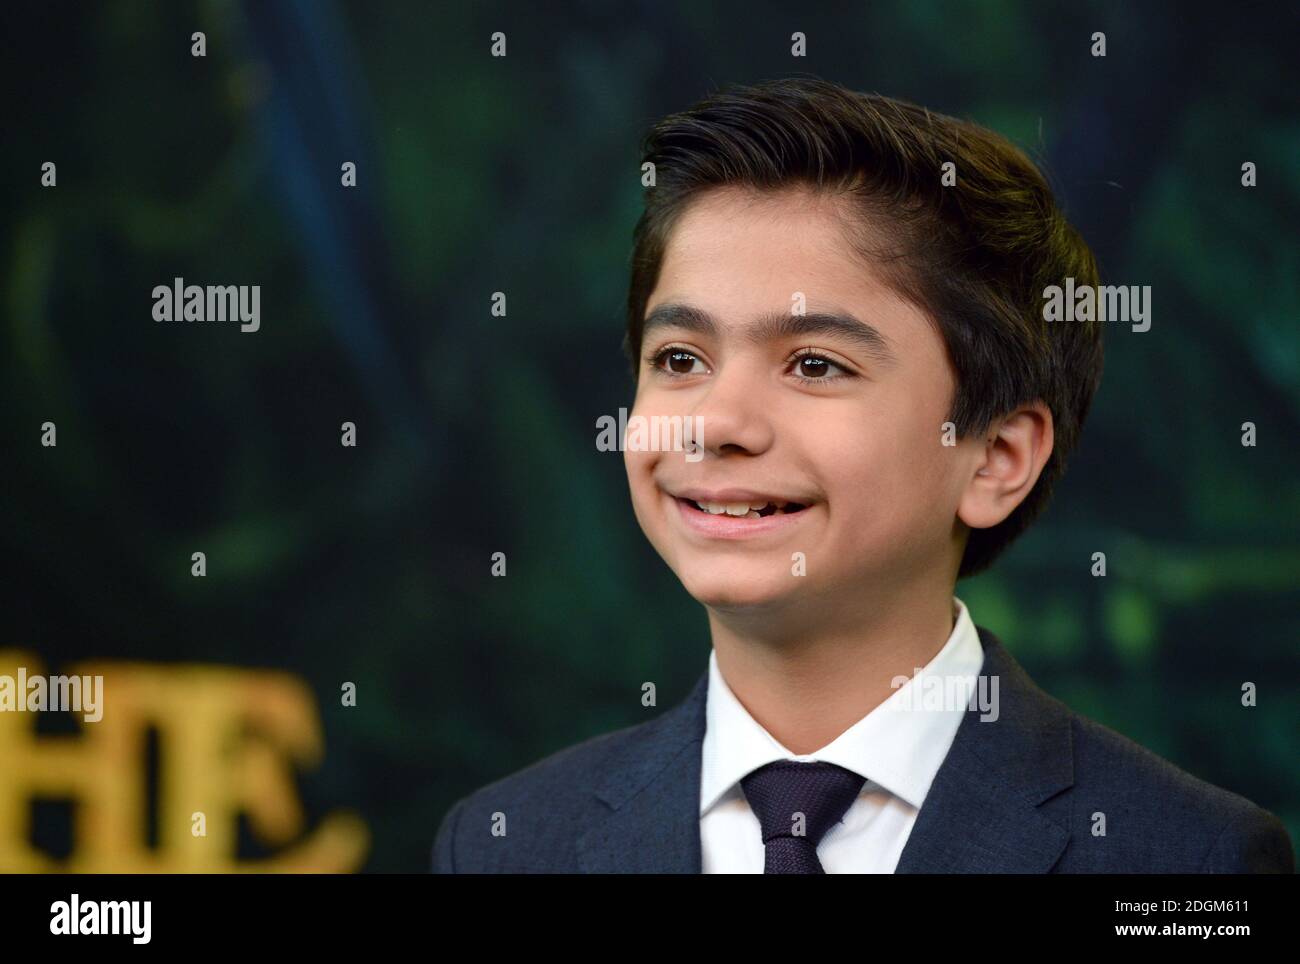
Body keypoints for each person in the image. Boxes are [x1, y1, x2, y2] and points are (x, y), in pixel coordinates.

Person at [433, 76, 1293, 873]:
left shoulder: (1186, 860)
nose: (717, 425)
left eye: (813, 365)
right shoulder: (503, 843)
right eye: (681, 357)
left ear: (997, 457)